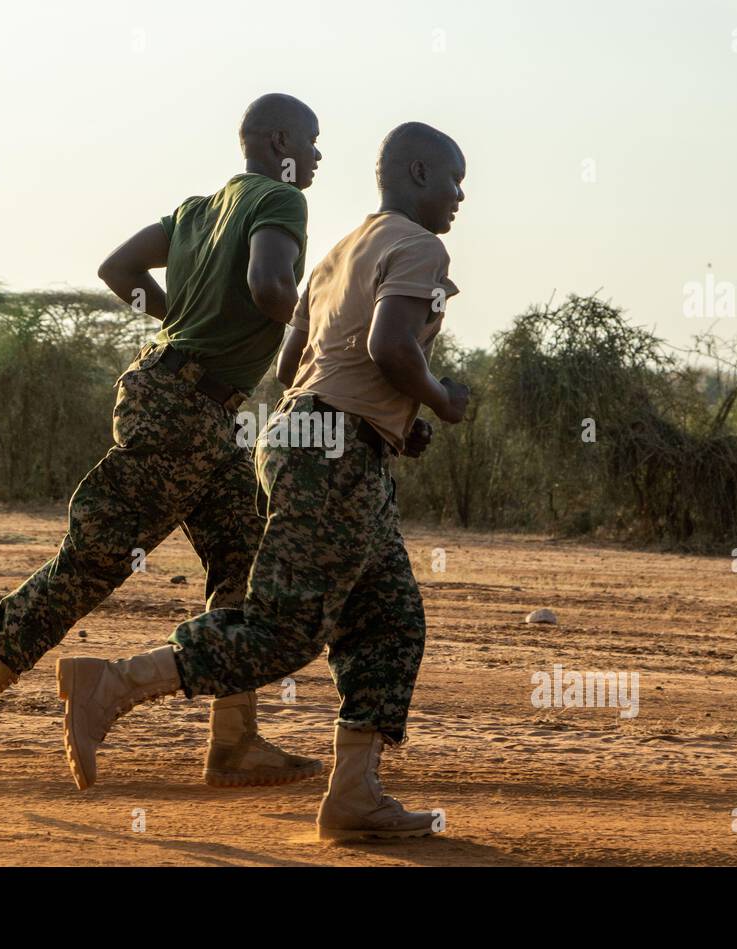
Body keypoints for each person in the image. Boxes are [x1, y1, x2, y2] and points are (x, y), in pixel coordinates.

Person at [57, 122, 470, 840]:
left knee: (390, 620)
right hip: (333, 452)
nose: (462, 197)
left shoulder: (341, 251)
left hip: (311, 438)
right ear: (418, 172)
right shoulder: (419, 246)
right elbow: (390, 346)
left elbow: (292, 369)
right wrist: (439, 397)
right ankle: (112, 684)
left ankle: (354, 797)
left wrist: (398, 420)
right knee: (283, 630)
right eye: (455, 179)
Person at [0, 94, 324, 788]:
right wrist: (320, 332)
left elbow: (118, 271)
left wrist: (182, 323)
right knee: (96, 559)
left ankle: (235, 741)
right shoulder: (281, 201)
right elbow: (267, 284)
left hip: (182, 401)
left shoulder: (197, 211)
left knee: (248, 562)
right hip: (184, 409)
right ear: (280, 139)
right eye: (313, 142)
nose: (318, 156)